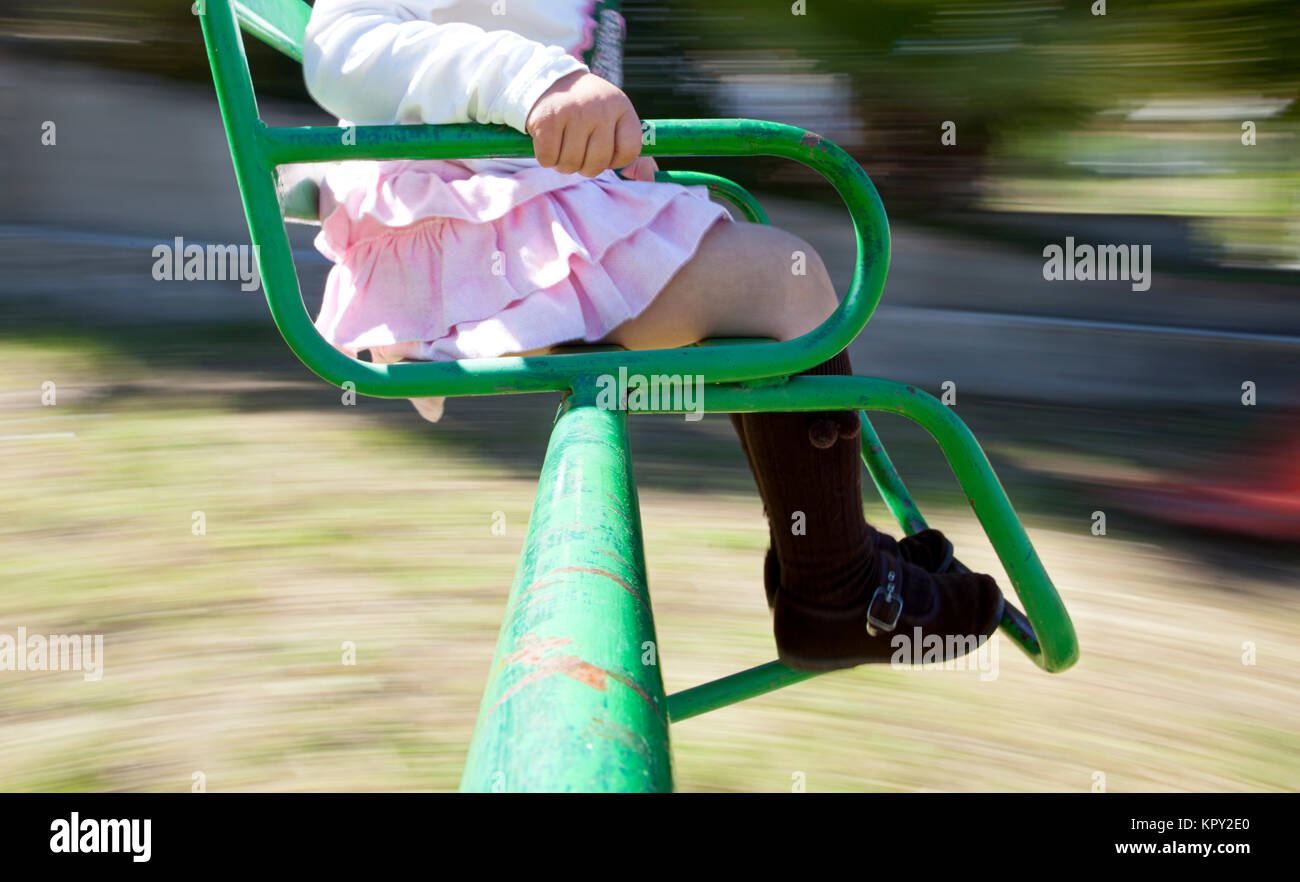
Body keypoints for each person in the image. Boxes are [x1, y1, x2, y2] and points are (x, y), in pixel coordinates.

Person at [302, 0, 1004, 671]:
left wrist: (597, 143)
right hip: (473, 246)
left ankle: (827, 552)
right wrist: (536, 84)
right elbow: (340, 46)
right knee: (783, 283)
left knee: (751, 274)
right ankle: (834, 587)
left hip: (513, 225)